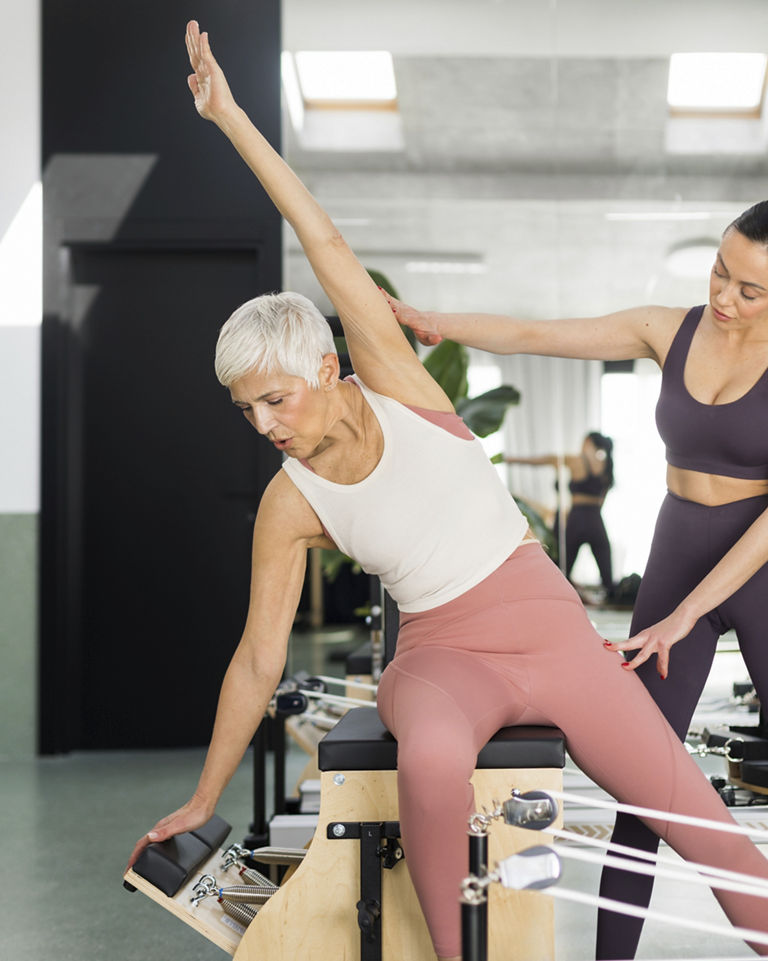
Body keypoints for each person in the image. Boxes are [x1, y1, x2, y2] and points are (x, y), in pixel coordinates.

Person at [127, 24, 768, 961]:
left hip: (547, 626)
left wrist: (227, 115)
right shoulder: (289, 502)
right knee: (430, 759)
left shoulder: (391, 376)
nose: (265, 423)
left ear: (325, 363)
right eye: (246, 409)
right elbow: (257, 657)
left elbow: (320, 230)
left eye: (275, 397)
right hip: (440, 654)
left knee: (692, 811)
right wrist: (202, 794)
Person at [385, 205, 768, 958]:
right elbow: (539, 335)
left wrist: (689, 614)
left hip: (756, 567)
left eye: (750, 290)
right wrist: (437, 322)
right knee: (644, 789)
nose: (724, 295)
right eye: (721, 271)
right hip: (677, 549)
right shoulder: (670, 328)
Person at [505, 431, 615, 597]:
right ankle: (612, 599)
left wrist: (512, 460)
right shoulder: (606, 464)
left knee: (561, 569)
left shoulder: (577, 460)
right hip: (595, 519)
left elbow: (545, 460)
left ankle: (555, 598)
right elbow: (601, 500)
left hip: (577, 518)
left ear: (588, 442)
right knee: (607, 577)